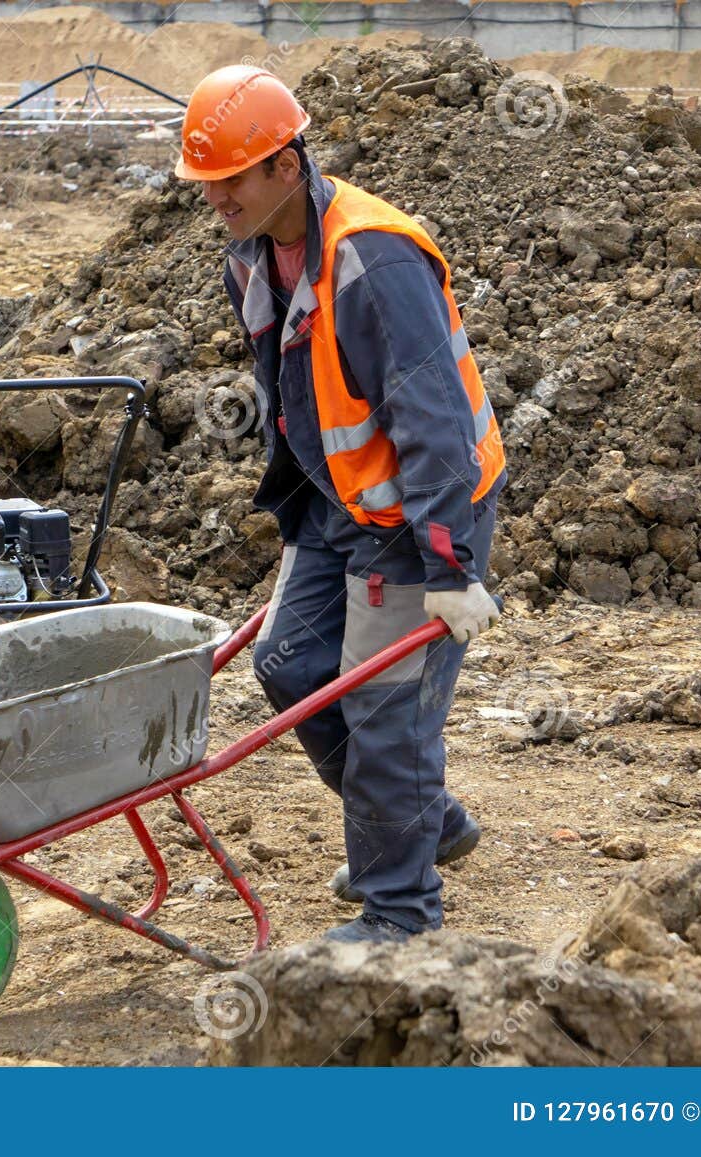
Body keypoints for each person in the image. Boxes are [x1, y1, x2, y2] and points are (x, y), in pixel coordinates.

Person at [176, 65, 508, 944]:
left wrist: (448, 563)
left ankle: (399, 909)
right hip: (341, 500)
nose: (217, 197)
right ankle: (423, 825)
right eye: (206, 182)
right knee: (289, 665)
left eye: (231, 179)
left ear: (287, 165)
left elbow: (433, 417)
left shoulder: (373, 256)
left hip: (421, 508)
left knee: (385, 708)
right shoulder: (251, 253)